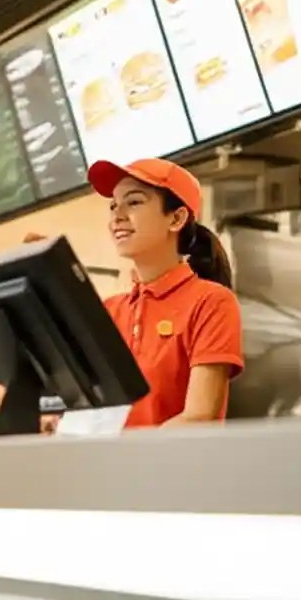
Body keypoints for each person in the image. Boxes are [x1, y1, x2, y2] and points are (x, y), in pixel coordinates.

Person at [87, 158, 243, 427]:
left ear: (176, 218)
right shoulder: (108, 310)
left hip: (175, 468)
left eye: (133, 202)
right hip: (113, 466)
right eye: (113, 205)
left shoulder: (211, 302)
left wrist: (119, 449)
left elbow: (199, 416)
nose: (117, 215)